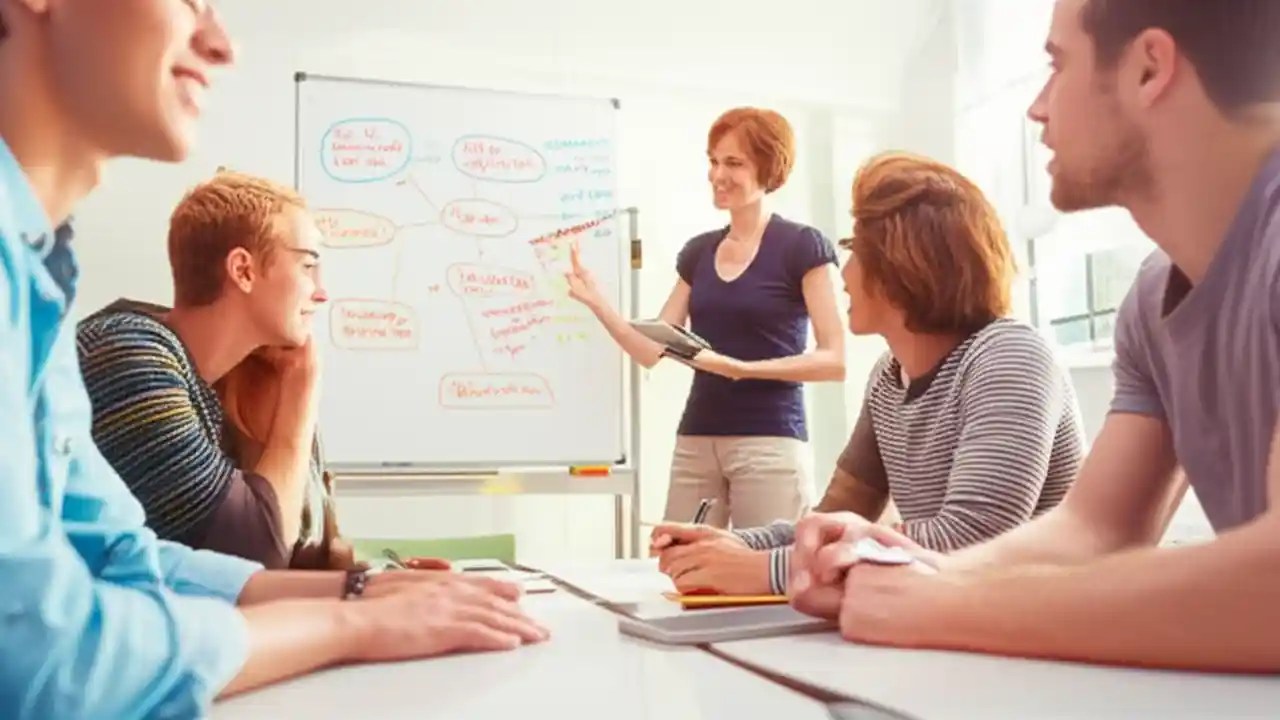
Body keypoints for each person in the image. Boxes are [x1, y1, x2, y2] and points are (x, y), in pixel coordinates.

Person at [0, 2, 546, 718]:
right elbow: (42, 659)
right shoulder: (126, 348)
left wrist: (358, 593)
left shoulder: (39, 280)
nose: (222, 43)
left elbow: (121, 557)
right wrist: (348, 625)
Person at [789, 0, 1280, 673]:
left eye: (1057, 65)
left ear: (1148, 68)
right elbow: (1095, 530)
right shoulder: (1149, 302)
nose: (1038, 108)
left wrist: (938, 606)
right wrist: (906, 570)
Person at [649, 152, 1086, 595]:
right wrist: (732, 543)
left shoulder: (1010, 356)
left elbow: (970, 539)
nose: (845, 274)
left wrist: (767, 571)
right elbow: (832, 518)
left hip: (1042, 625)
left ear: (903, 265)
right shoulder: (888, 377)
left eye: (854, 250)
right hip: (961, 621)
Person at [565, 107, 846, 529]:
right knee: (681, 564)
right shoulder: (698, 253)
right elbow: (651, 349)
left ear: (769, 169)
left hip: (769, 441)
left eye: (733, 163)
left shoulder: (801, 246)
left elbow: (834, 360)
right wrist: (598, 302)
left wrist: (739, 369)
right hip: (698, 437)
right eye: (713, 161)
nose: (718, 174)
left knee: (765, 571)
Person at [77, 170, 352, 570]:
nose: (321, 291)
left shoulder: (208, 381)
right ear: (243, 270)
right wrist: (301, 389)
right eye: (308, 266)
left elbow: (285, 550)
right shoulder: (128, 354)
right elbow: (252, 557)